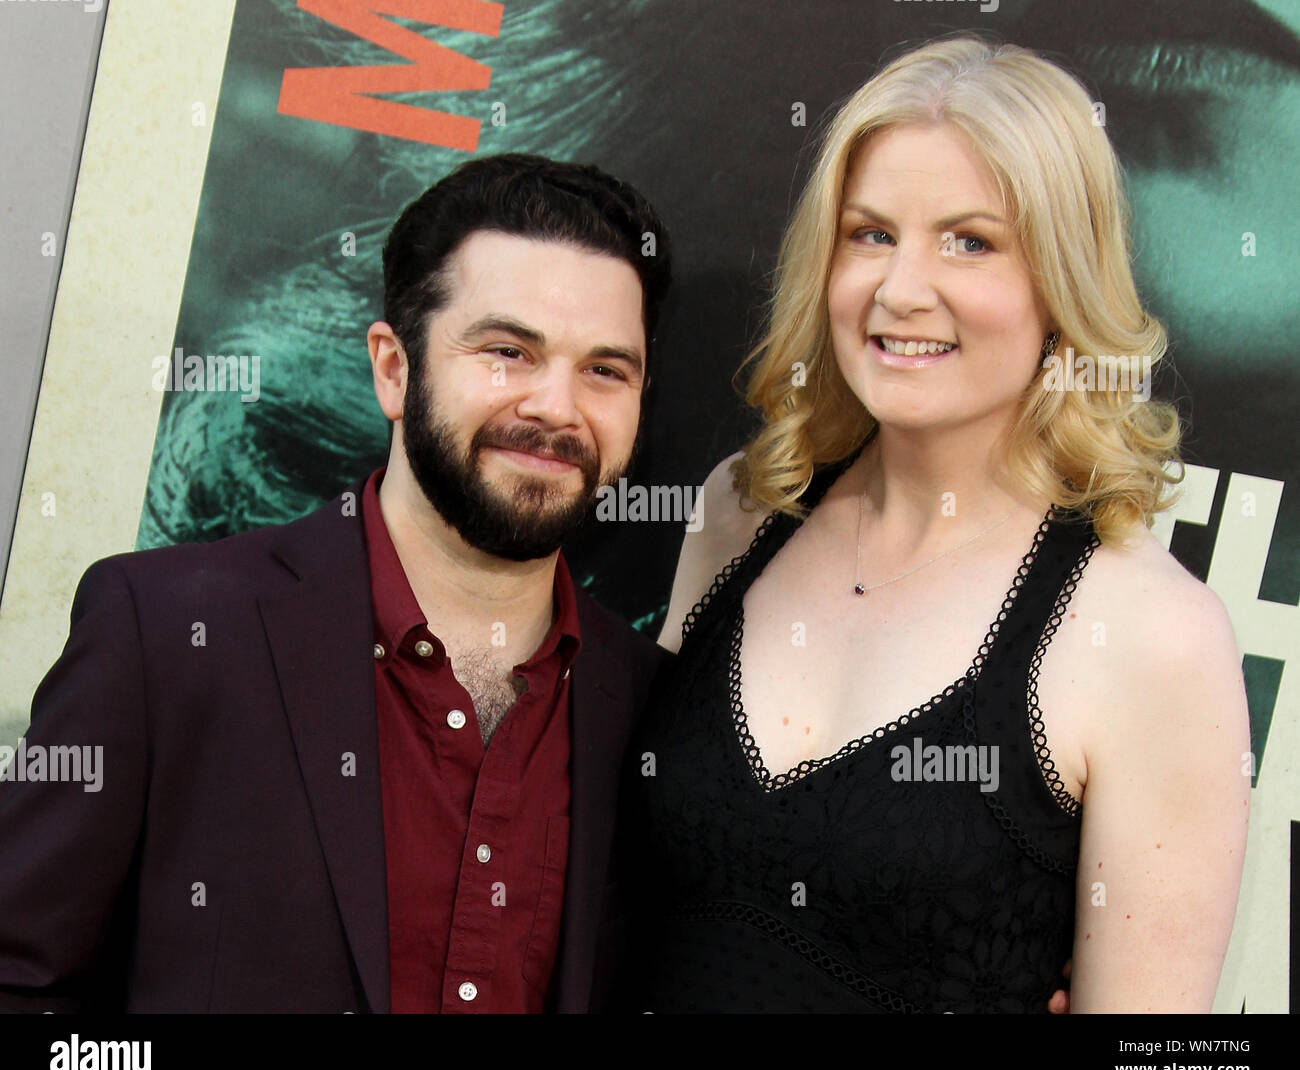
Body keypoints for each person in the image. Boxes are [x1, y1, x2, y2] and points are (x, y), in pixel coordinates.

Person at [622, 35, 1251, 1013]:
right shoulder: (738, 512)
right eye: (870, 234)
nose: (900, 289)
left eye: (969, 240)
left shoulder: (1149, 635)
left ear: (1060, 285)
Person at [0, 153, 671, 1013]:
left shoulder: (652, 710)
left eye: (605, 370)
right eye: (507, 351)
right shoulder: (166, 633)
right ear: (393, 369)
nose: (555, 406)